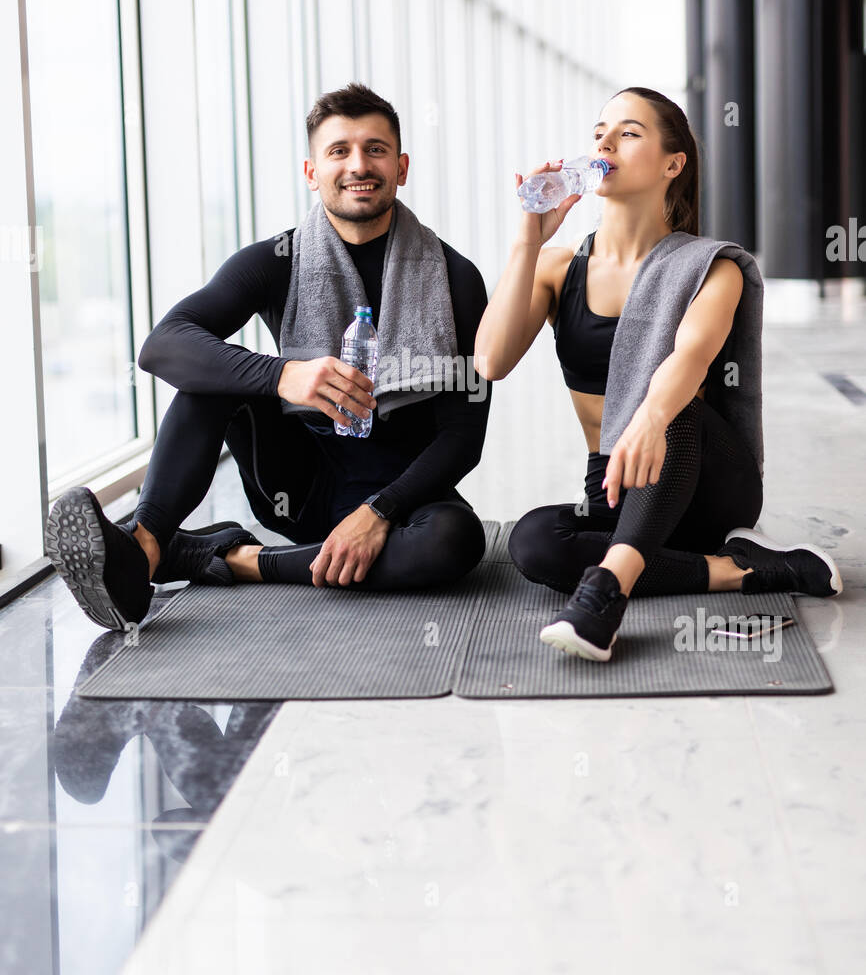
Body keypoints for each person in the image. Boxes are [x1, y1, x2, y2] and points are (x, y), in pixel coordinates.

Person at [45, 84, 491, 633]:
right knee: (212, 376)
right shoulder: (276, 260)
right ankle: (146, 545)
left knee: (455, 542)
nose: (359, 165)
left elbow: (464, 435)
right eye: (339, 151)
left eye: (375, 149)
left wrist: (381, 511)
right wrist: (284, 374)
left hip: (406, 492)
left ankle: (230, 558)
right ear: (311, 172)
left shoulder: (457, 279)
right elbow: (163, 344)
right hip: (296, 484)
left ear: (401, 166)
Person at [474, 86, 842, 663]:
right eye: (599, 132)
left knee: (672, 402)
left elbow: (689, 360)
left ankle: (606, 592)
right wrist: (527, 238)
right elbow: (490, 361)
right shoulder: (557, 266)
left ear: (674, 164)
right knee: (534, 542)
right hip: (616, 480)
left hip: (702, 474)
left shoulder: (712, 266)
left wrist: (649, 416)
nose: (604, 141)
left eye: (628, 132)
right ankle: (741, 570)